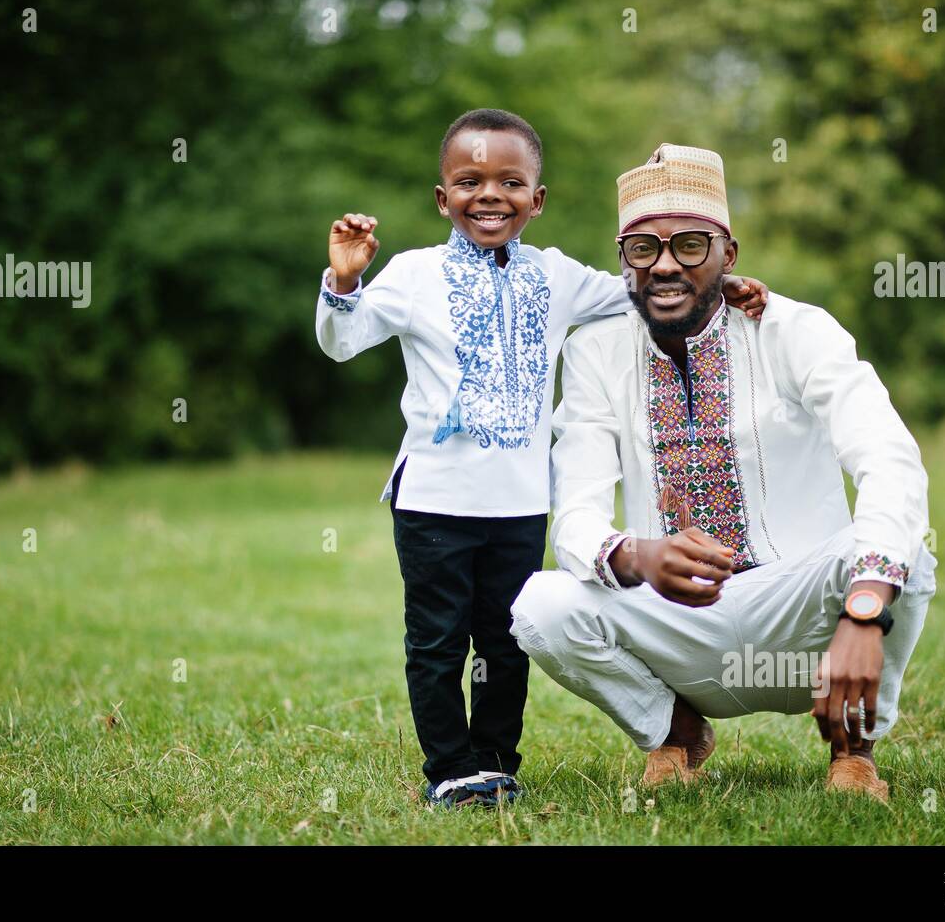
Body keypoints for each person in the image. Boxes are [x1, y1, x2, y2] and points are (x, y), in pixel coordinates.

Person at [317, 112, 770, 808]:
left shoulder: (554, 277)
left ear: (537, 198)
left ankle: (495, 761)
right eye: (469, 181)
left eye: (509, 180)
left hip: (523, 503)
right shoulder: (413, 275)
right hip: (435, 501)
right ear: (443, 198)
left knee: (506, 639)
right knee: (438, 639)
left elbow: (643, 292)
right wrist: (344, 283)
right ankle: (448, 768)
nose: (489, 194)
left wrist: (725, 291)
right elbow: (342, 343)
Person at [511, 143, 937, 801]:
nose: (666, 265)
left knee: (902, 550)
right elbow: (575, 514)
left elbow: (888, 456)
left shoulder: (794, 328)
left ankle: (855, 752)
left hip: (803, 619)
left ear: (728, 252)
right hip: (679, 623)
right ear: (623, 259)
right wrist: (639, 555)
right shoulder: (596, 350)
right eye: (643, 249)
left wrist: (862, 609)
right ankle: (676, 731)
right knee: (540, 603)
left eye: (689, 244)